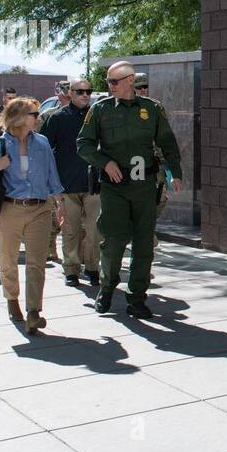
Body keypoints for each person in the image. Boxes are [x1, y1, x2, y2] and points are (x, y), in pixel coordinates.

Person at [77, 60, 182, 318]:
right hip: (115, 187)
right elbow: (84, 144)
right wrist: (106, 162)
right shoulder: (100, 110)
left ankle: (137, 297)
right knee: (113, 241)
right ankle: (107, 287)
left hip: (145, 186)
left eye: (114, 81)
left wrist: (175, 173)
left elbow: (168, 143)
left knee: (144, 243)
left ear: (130, 80)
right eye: (108, 82)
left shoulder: (152, 109)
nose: (109, 86)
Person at [0, 96, 65, 334]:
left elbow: (51, 172)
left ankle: (34, 311)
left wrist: (59, 200)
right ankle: (12, 300)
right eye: (34, 114)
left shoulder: (43, 142)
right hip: (9, 209)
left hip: (39, 208)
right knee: (9, 259)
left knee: (37, 262)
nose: (38, 118)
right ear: (17, 118)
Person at [42, 78, 100, 287]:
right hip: (67, 185)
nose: (85, 95)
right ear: (70, 93)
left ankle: (93, 268)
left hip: (94, 183)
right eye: (80, 91)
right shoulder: (56, 118)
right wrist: (51, 184)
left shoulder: (97, 116)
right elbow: (45, 150)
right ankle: (71, 270)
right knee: (71, 230)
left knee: (94, 230)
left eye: (88, 91)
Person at [133, 71, 170, 247]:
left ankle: (145, 229)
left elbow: (163, 134)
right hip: (132, 162)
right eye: (138, 87)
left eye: (145, 87)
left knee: (160, 198)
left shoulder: (155, 106)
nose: (142, 90)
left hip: (154, 161)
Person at [41, 81, 71, 261]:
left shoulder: (87, 114)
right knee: (53, 213)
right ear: (58, 94)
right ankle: (50, 246)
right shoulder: (48, 116)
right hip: (55, 172)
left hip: (76, 172)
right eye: (66, 95)